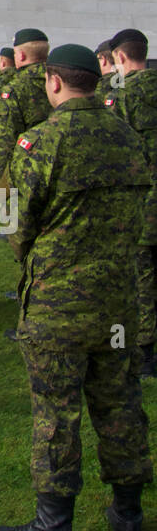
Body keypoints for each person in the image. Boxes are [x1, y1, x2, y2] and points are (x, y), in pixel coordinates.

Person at [0, 44, 152, 531]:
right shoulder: (128, 138)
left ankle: (53, 526)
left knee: (56, 412)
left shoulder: (40, 142)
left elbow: (17, 226)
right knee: (121, 403)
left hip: (57, 303)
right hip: (118, 301)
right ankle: (129, 514)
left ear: (55, 83)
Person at [105, 28, 157, 379]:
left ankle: (146, 354)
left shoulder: (121, 96)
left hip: (142, 202)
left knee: (142, 279)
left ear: (120, 57)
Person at [0, 28, 51, 190]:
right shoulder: (59, 81)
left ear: (21, 56)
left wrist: (0, 187)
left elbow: (5, 142)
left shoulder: (14, 89)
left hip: (25, 176)